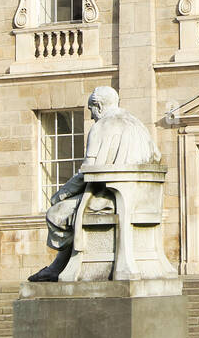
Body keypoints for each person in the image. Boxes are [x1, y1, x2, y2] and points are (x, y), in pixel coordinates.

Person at [28, 86, 161, 282]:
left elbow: (87, 171)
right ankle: (57, 266)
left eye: (91, 109)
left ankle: (63, 266)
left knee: (56, 213)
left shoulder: (102, 126)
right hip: (142, 200)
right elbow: (156, 158)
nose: (91, 116)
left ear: (98, 106)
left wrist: (62, 193)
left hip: (109, 199)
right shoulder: (139, 126)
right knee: (68, 212)